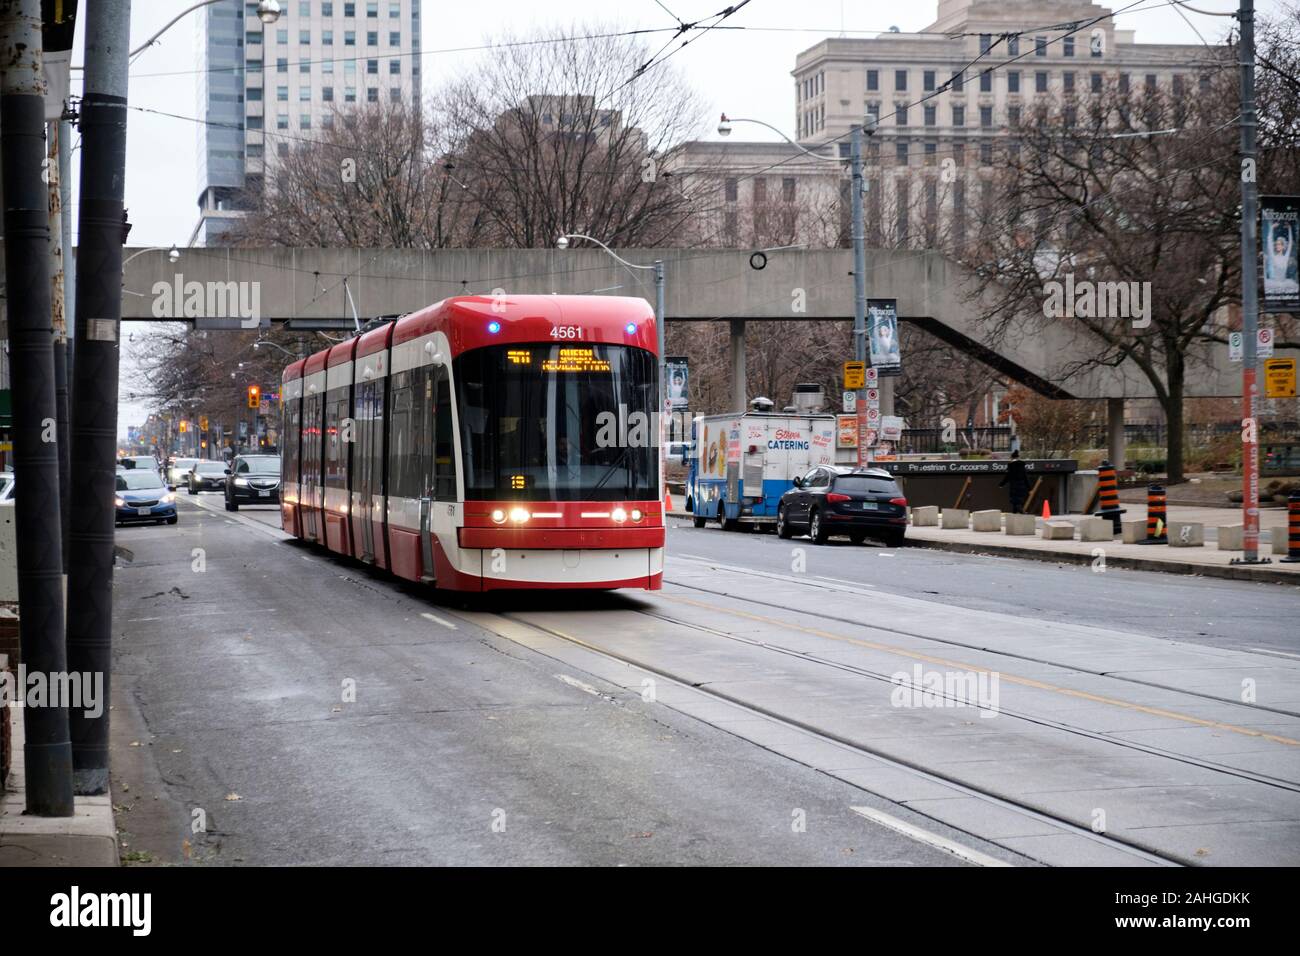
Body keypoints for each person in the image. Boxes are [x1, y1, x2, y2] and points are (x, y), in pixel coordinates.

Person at [999, 449, 1029, 514]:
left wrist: (1001, 484)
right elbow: (1025, 477)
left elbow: (1007, 476)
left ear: (1012, 457)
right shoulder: (1022, 466)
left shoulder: (1011, 466)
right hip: (1022, 485)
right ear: (1018, 457)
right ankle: (1014, 513)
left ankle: (1021, 510)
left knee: (1015, 500)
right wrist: (1029, 487)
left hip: (1014, 485)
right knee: (1018, 500)